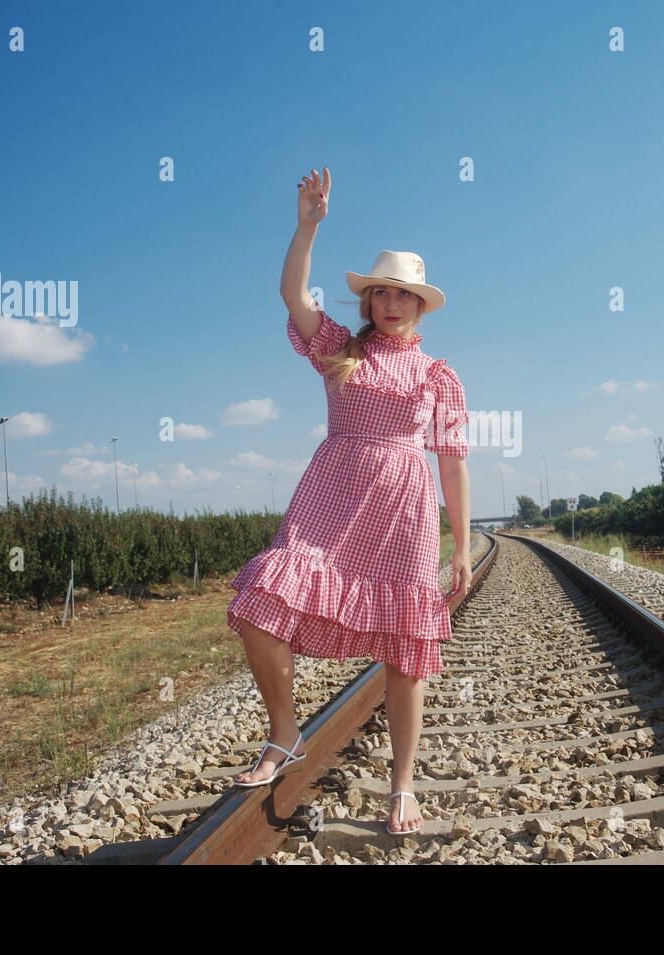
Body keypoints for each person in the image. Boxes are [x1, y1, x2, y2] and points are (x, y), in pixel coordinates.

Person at [225, 167, 472, 836]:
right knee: (261, 599)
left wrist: (465, 543)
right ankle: (285, 733)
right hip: (333, 493)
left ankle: (402, 785)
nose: (391, 303)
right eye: (382, 292)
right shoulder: (341, 348)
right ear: (370, 301)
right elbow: (289, 293)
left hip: (405, 509)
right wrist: (308, 224)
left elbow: (452, 462)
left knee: (404, 650)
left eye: (404, 295)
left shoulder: (438, 375)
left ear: (421, 306)